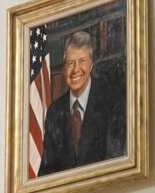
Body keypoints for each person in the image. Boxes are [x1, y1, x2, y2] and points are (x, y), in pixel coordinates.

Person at [38, 31, 127, 176]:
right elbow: (47, 171)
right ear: (64, 69)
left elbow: (118, 160)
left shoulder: (111, 102)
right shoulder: (55, 112)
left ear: (91, 65)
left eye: (82, 61)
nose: (76, 69)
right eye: (70, 63)